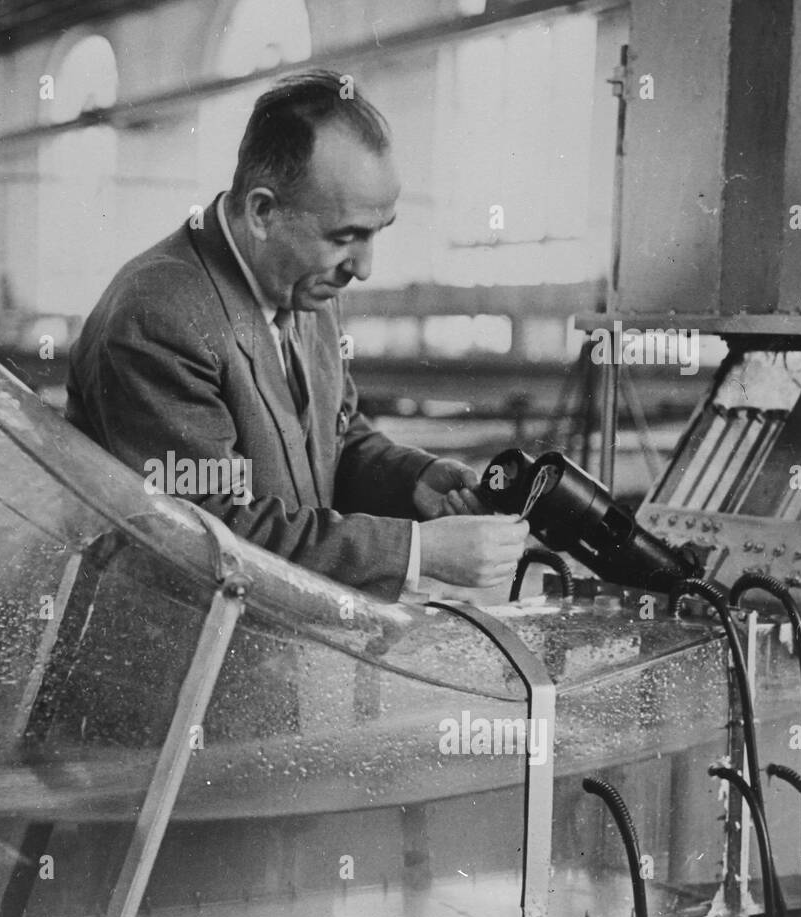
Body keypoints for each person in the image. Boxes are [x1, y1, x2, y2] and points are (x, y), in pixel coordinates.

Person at [66, 69, 526, 602]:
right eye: (345, 236)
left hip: (276, 643)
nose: (365, 267)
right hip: (172, 656)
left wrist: (410, 481)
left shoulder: (303, 285)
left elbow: (337, 435)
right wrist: (418, 552)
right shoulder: (158, 317)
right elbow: (209, 532)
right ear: (263, 211)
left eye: (378, 233)